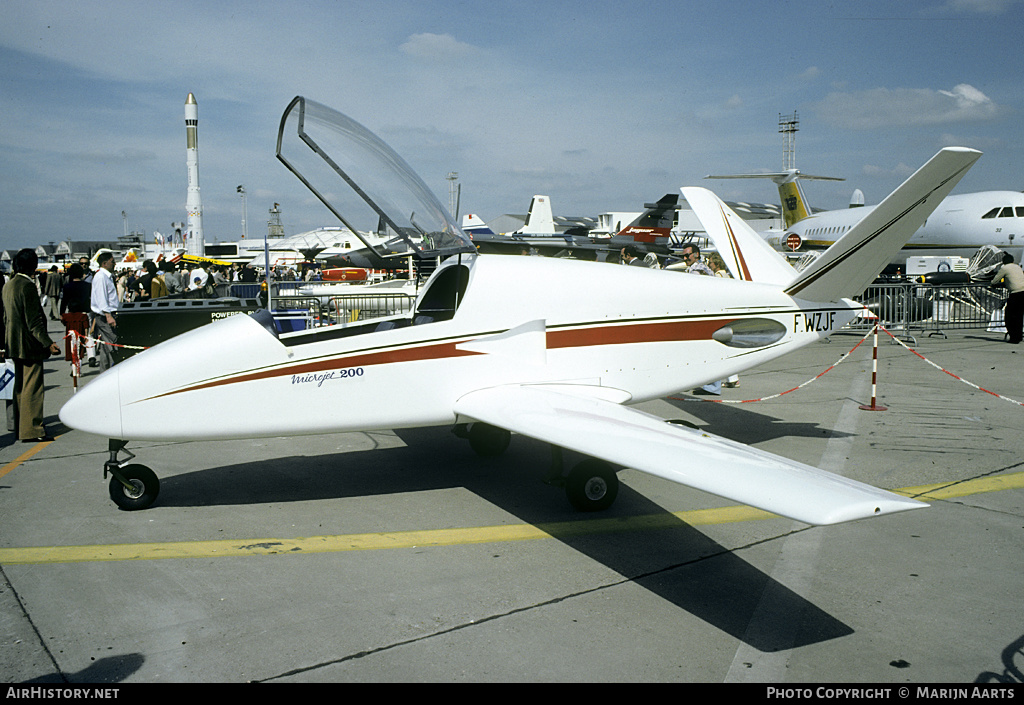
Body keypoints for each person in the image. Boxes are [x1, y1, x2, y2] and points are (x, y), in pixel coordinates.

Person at [2, 249, 61, 441]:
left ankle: (21, 426)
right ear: (33, 266)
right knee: (32, 389)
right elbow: (33, 322)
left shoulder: (9, 285)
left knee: (20, 387)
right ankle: (32, 429)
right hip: (28, 344)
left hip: (13, 342)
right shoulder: (26, 286)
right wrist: (49, 343)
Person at [90, 251, 120, 371]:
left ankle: (105, 370)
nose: (115, 264)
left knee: (106, 347)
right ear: (104, 263)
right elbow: (101, 298)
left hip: (108, 314)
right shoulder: (101, 277)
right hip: (105, 316)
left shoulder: (108, 276)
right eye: (112, 262)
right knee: (113, 344)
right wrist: (108, 315)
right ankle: (112, 370)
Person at [992, 252, 1024, 344]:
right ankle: (1019, 336)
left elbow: (995, 280)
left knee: (1010, 317)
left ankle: (1014, 337)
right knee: (1019, 316)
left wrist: (995, 284)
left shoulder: (1005, 268)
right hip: (1023, 292)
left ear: (1003, 262)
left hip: (1015, 293)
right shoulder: (1017, 267)